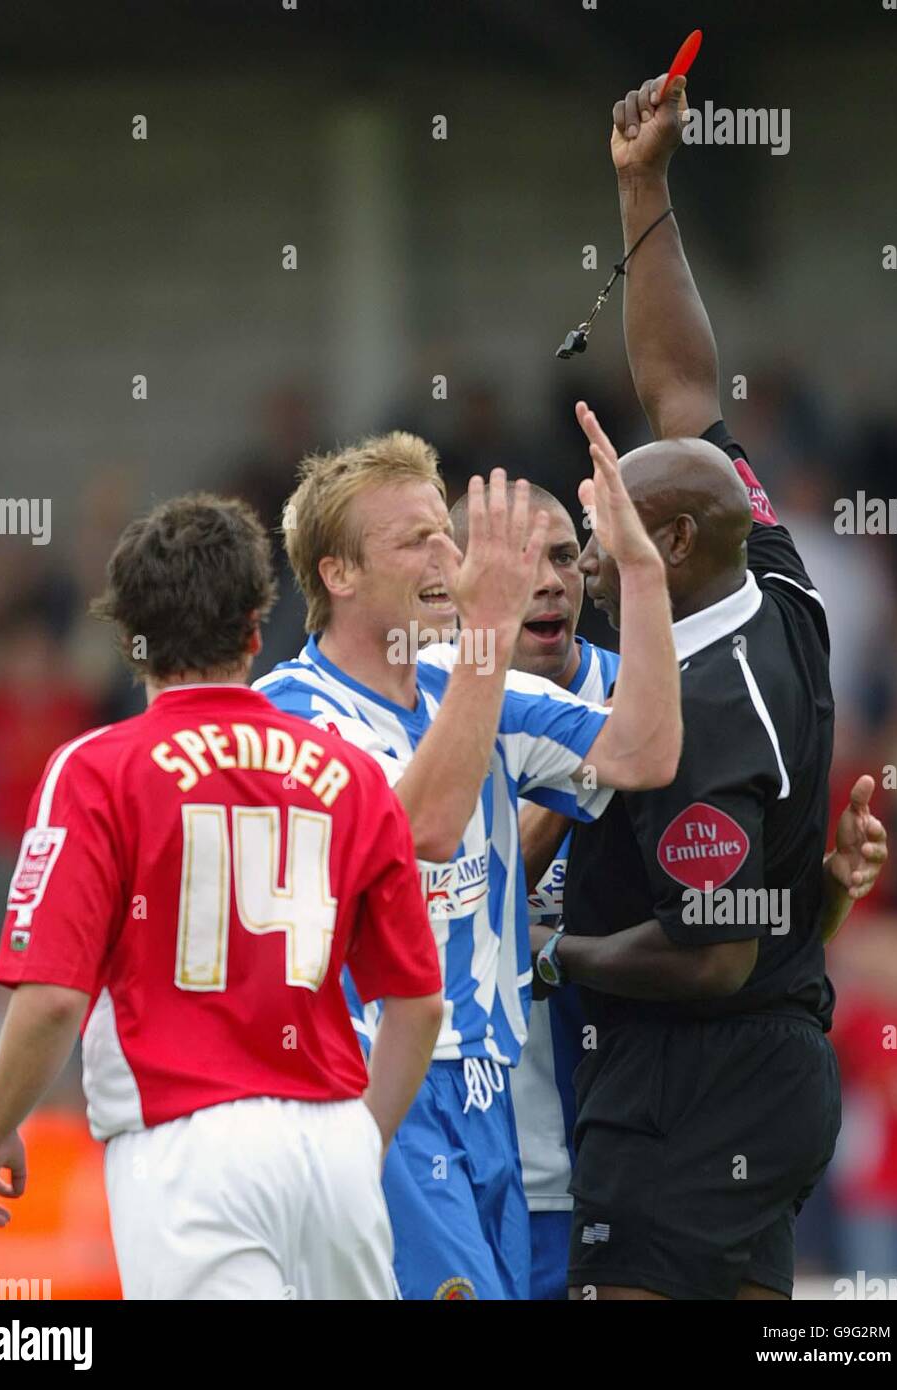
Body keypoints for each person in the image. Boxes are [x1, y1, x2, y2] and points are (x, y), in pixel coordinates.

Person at [528, 68, 888, 1301]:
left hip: (704, 1073)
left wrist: (548, 951)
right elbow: (686, 394)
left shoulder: (710, 716)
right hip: (761, 1065)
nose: (585, 552)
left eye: (607, 525)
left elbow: (711, 955)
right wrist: (643, 187)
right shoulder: (766, 571)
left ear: (671, 546)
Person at [0, 492, 444, 1301]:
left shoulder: (97, 771)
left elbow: (49, 1000)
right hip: (334, 1149)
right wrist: (362, 1140)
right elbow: (419, 1005)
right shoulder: (351, 772)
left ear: (128, 639)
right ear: (256, 627)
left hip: (185, 1151)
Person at [253, 430, 681, 1299]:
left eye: (445, 534)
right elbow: (425, 827)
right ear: (339, 575)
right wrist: (488, 633)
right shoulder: (289, 719)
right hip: (373, 1088)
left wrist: (641, 575)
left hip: (490, 1100)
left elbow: (645, 752)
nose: (450, 555)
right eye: (417, 539)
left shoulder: (467, 677)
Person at [451, 483, 888, 1302]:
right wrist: (593, 776)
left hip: (643, 1138)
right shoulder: (416, 715)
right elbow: (443, 918)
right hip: (478, 1155)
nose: (552, 579)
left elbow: (722, 944)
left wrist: (822, 894)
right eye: (518, 561)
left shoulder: (667, 696)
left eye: (561, 554)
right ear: (457, 584)